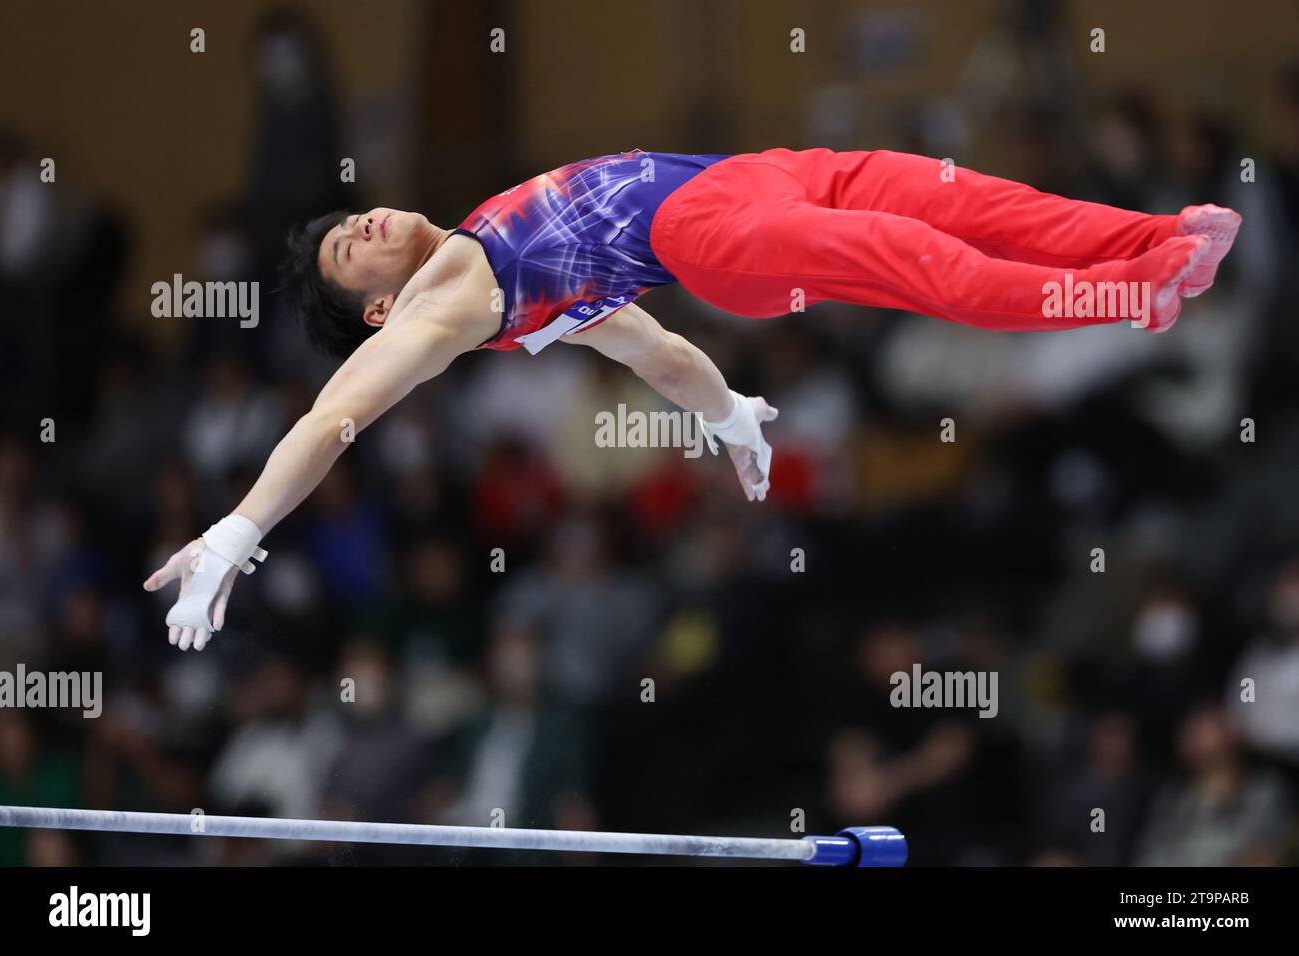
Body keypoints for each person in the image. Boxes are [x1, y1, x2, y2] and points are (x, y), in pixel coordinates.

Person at [144, 147, 1241, 651]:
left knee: (958, 194)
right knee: (919, 258)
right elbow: (329, 421)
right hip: (715, 233)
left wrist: (723, 415)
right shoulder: (445, 304)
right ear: (376, 313)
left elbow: (654, 349)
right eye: (350, 255)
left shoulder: (506, 265)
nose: (368, 227)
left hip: (745, 174)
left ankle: (1152, 240)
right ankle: (1130, 294)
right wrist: (235, 536)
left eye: (352, 220)